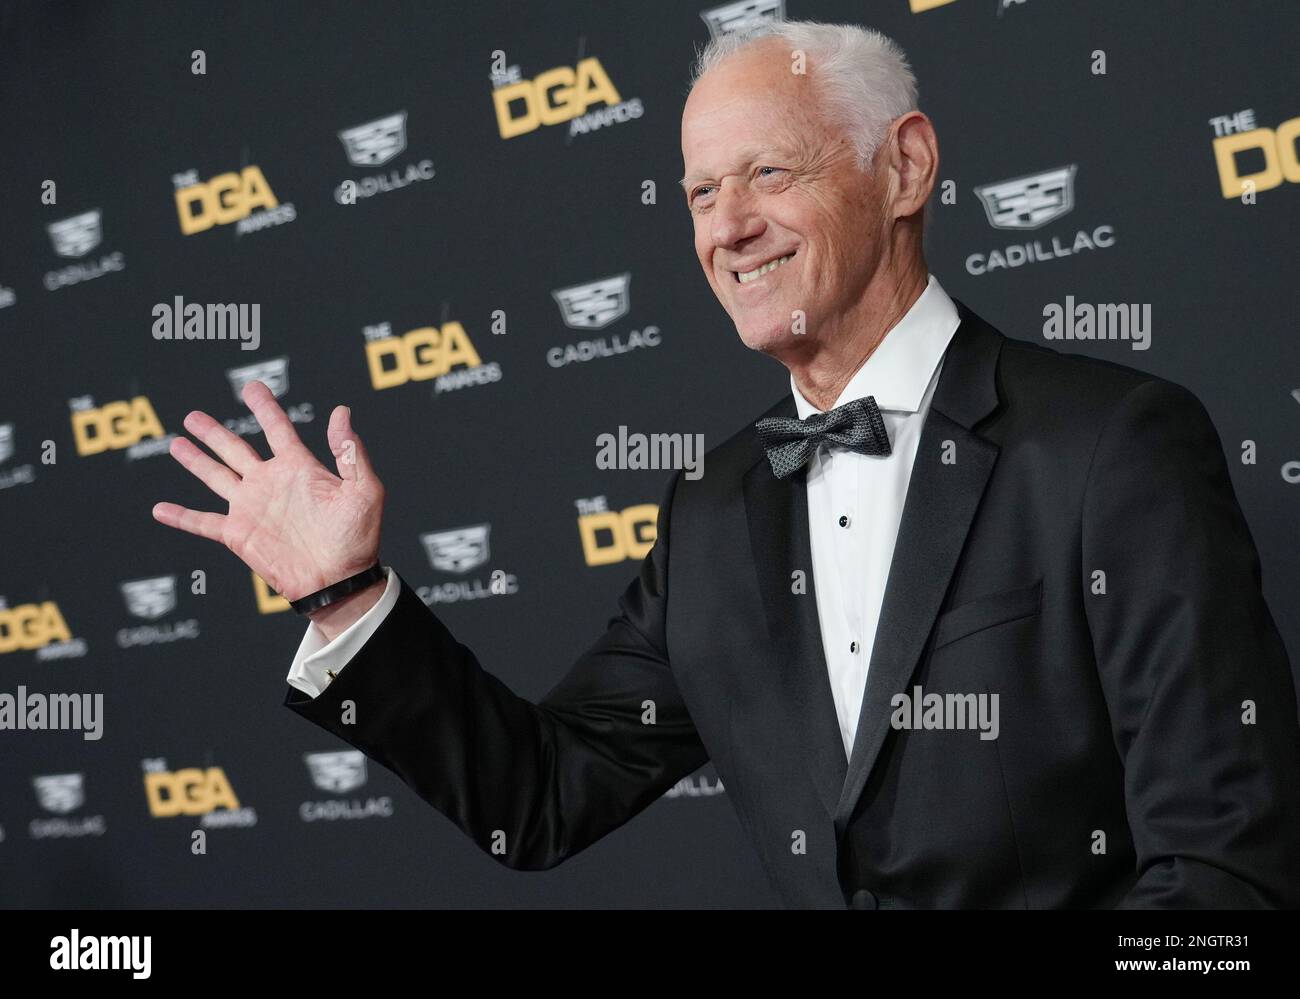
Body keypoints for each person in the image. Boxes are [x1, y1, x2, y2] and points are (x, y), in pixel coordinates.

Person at [153, 21, 1300, 908]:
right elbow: (543, 797)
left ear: (903, 168)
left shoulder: (1112, 444)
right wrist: (346, 596)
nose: (726, 226)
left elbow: (1226, 871)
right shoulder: (713, 510)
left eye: (768, 175)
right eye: (701, 192)